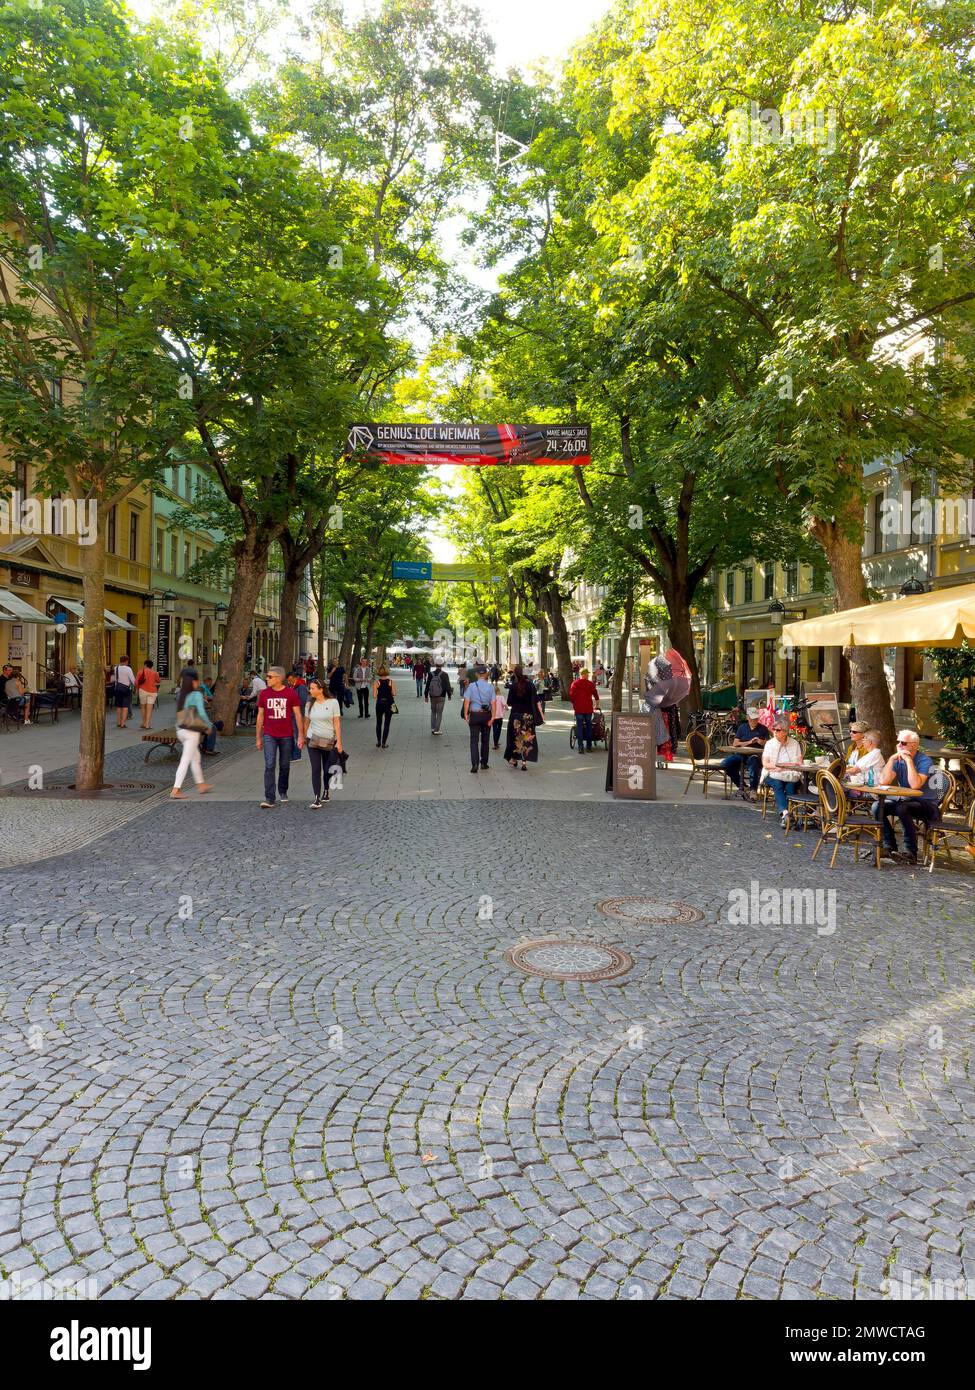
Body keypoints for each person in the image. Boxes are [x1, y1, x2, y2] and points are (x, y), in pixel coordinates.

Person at [874, 729, 940, 864]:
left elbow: (915, 785)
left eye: (903, 743)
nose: (899, 745)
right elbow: (883, 781)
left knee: (902, 808)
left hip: (927, 803)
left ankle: (911, 852)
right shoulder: (897, 759)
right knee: (877, 806)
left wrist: (909, 761)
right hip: (906, 800)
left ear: (914, 745)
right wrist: (892, 759)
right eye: (898, 742)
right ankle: (889, 846)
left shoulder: (925, 761)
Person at [255, 665, 303, 808]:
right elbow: (260, 716)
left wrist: (300, 735)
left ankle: (283, 790)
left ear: (278, 678)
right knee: (269, 765)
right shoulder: (264, 694)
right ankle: (269, 798)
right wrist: (258, 737)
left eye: (269, 677)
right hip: (269, 734)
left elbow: (298, 715)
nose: (267, 679)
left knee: (284, 765)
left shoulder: (290, 693)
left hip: (286, 735)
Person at [170, 669, 213, 799]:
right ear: (194, 681)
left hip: (180, 730)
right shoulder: (196, 695)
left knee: (196, 757)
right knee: (186, 760)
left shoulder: (181, 694)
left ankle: (201, 784)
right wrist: (208, 726)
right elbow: (201, 711)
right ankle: (176, 789)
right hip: (191, 732)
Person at [303, 676, 343, 808]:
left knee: (327, 768)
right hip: (312, 740)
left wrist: (339, 742)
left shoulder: (332, 703)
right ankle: (316, 798)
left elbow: (337, 723)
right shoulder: (309, 704)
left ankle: (326, 789)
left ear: (321, 689)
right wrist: (303, 737)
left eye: (313, 688)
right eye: (310, 688)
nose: (310, 690)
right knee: (316, 768)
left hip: (329, 741)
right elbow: (307, 722)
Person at [760, 718, 805, 825]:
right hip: (772, 773)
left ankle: (788, 815)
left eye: (778, 730)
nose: (774, 732)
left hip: (790, 773)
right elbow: (765, 764)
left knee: (790, 785)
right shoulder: (770, 744)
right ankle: (786, 814)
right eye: (774, 729)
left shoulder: (794, 743)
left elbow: (799, 762)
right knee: (778, 784)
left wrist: (787, 768)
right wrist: (777, 768)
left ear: (785, 732)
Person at [719, 707, 770, 799]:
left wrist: (761, 742)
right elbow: (735, 743)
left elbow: (770, 744)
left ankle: (753, 790)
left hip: (755, 755)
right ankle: (741, 786)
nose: (754, 720)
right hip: (740, 754)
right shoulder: (742, 727)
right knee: (725, 764)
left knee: (754, 763)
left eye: (756, 718)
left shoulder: (763, 729)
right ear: (747, 717)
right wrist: (749, 742)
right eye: (752, 718)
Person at [504, 664, 545, 770]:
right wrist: (541, 715)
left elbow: (509, 702)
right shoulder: (530, 685)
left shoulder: (513, 686)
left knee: (515, 737)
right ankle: (524, 762)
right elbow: (537, 701)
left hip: (516, 716)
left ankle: (513, 758)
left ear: (515, 674)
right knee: (526, 738)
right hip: (528, 716)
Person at [463, 663, 496, 773]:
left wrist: (466, 714)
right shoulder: (491, 687)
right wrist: (493, 717)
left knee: (474, 740)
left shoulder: (472, 686)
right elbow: (493, 703)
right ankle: (484, 763)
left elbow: (467, 701)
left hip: (475, 715)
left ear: (477, 674)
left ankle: (474, 764)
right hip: (486, 715)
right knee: (485, 741)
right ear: (486, 674)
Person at [568, 666, 600, 754]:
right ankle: (589, 747)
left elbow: (571, 696)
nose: (588, 675)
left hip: (578, 709)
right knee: (589, 726)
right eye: (587, 674)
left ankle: (581, 747)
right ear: (584, 675)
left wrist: (575, 703)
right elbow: (596, 695)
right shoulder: (590, 684)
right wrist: (596, 706)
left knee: (579, 727)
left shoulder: (574, 683)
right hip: (588, 709)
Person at [424, 659, 452, 733]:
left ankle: (433, 728)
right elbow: (447, 686)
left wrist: (426, 696)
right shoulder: (445, 674)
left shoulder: (430, 674)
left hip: (432, 696)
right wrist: (449, 695)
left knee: (433, 712)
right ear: (442, 665)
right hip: (441, 696)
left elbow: (427, 685)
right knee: (439, 713)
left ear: (435, 664)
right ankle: (437, 730)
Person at [373, 666, 396, 748]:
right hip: (389, 703)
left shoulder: (377, 682)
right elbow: (394, 693)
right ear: (387, 672)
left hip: (379, 703)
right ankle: (384, 743)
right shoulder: (391, 682)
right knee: (387, 723)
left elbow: (374, 695)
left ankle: (378, 741)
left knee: (378, 723)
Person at [135, 658, 162, 729]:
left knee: (143, 707)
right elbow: (159, 681)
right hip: (153, 692)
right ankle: (147, 725)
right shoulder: (154, 673)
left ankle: (144, 723)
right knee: (149, 708)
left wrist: (137, 690)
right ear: (151, 666)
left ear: (145, 665)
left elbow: (136, 682)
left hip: (143, 691)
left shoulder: (140, 672)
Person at [111, 654, 137, 729]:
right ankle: (123, 724)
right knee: (125, 706)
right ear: (126, 661)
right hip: (126, 689)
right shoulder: (128, 669)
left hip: (118, 688)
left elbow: (115, 679)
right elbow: (132, 680)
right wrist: (136, 686)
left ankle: (118, 722)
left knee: (119, 706)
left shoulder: (116, 668)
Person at [491, 681, 507, 751]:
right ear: (499, 691)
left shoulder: (491, 698)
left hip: (493, 716)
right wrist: (506, 708)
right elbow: (505, 705)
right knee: (499, 729)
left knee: (494, 730)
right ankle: (496, 742)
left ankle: (495, 743)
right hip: (500, 717)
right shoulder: (501, 697)